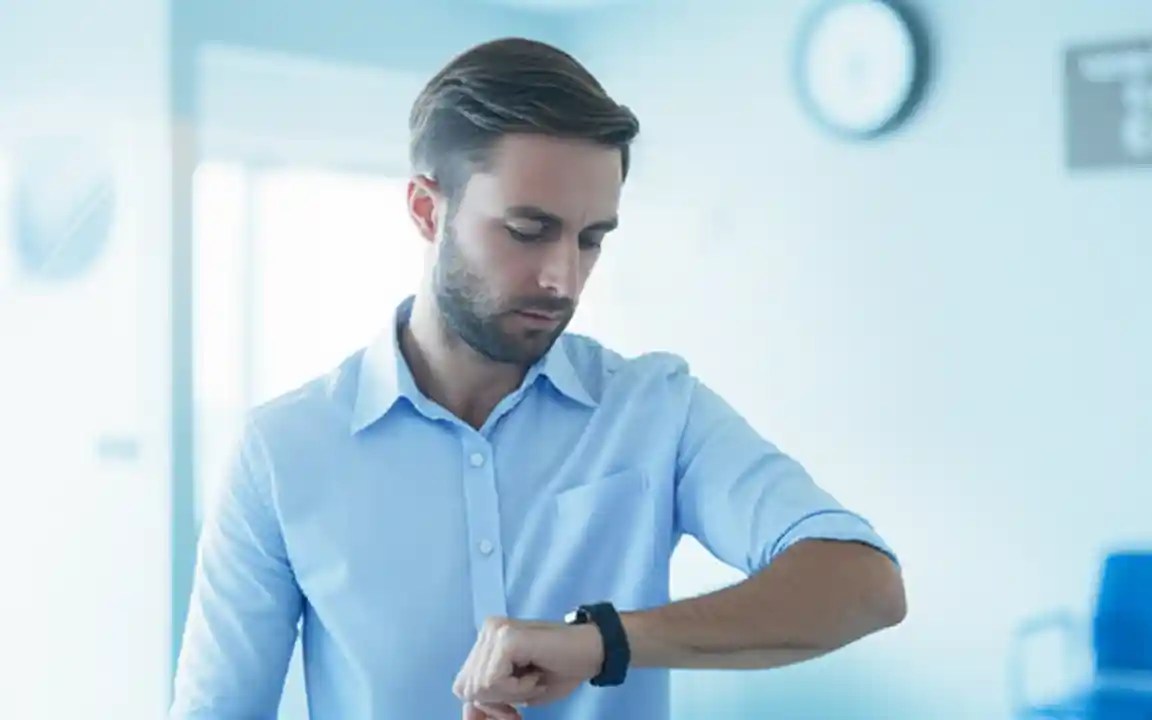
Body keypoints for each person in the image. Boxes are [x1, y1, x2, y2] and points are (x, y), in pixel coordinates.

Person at [170, 37, 906, 720]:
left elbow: (865, 585)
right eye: (528, 231)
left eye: (592, 239)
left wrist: (602, 641)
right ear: (428, 211)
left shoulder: (656, 408)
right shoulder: (282, 451)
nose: (564, 278)